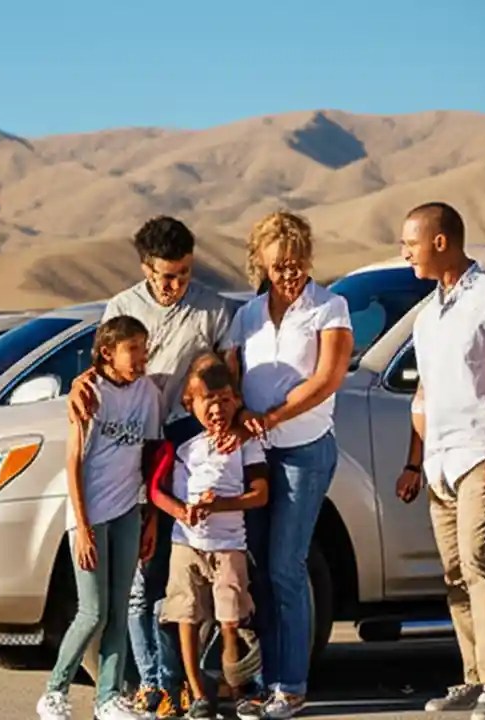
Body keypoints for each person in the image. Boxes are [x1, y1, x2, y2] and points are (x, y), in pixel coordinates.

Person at [68, 215, 238, 718]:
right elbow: (101, 368)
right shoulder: (122, 307)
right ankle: (151, 684)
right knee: (141, 581)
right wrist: (79, 383)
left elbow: (228, 375)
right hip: (129, 451)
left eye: (184, 273)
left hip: (185, 446)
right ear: (146, 268)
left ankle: (186, 679)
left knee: (182, 576)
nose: (176, 285)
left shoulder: (212, 309)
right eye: (166, 276)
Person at [394, 202, 485, 720]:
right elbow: (425, 394)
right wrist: (415, 462)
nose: (403, 250)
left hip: (483, 453)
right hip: (439, 463)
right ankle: (473, 677)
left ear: (439, 242)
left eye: (410, 242)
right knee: (454, 574)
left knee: (479, 562)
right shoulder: (428, 314)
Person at [220, 211, 353, 720]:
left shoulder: (330, 308)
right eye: (279, 267)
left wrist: (270, 417)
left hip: (303, 449)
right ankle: (263, 680)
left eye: (296, 265)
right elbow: (232, 375)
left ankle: (290, 686)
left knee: (286, 566)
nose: (289, 275)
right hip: (254, 454)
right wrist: (235, 417)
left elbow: (327, 378)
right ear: (262, 264)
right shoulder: (247, 316)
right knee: (258, 571)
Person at [38, 315, 162, 720]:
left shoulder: (147, 393)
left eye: (144, 350)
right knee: (92, 611)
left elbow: (150, 458)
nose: (141, 359)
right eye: (133, 350)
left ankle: (109, 697)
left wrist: (151, 519)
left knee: (120, 608)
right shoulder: (90, 391)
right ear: (108, 352)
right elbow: (73, 460)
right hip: (89, 514)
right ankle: (55, 691)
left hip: (128, 510)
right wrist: (83, 527)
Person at [149, 354, 269, 720]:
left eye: (224, 400)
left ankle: (239, 690)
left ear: (236, 401)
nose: (217, 408)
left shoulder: (246, 444)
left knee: (231, 619)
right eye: (208, 401)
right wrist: (181, 512)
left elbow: (260, 494)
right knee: (186, 615)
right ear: (191, 405)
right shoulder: (187, 449)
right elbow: (161, 491)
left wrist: (221, 505)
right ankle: (199, 693)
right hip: (187, 545)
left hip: (229, 545)